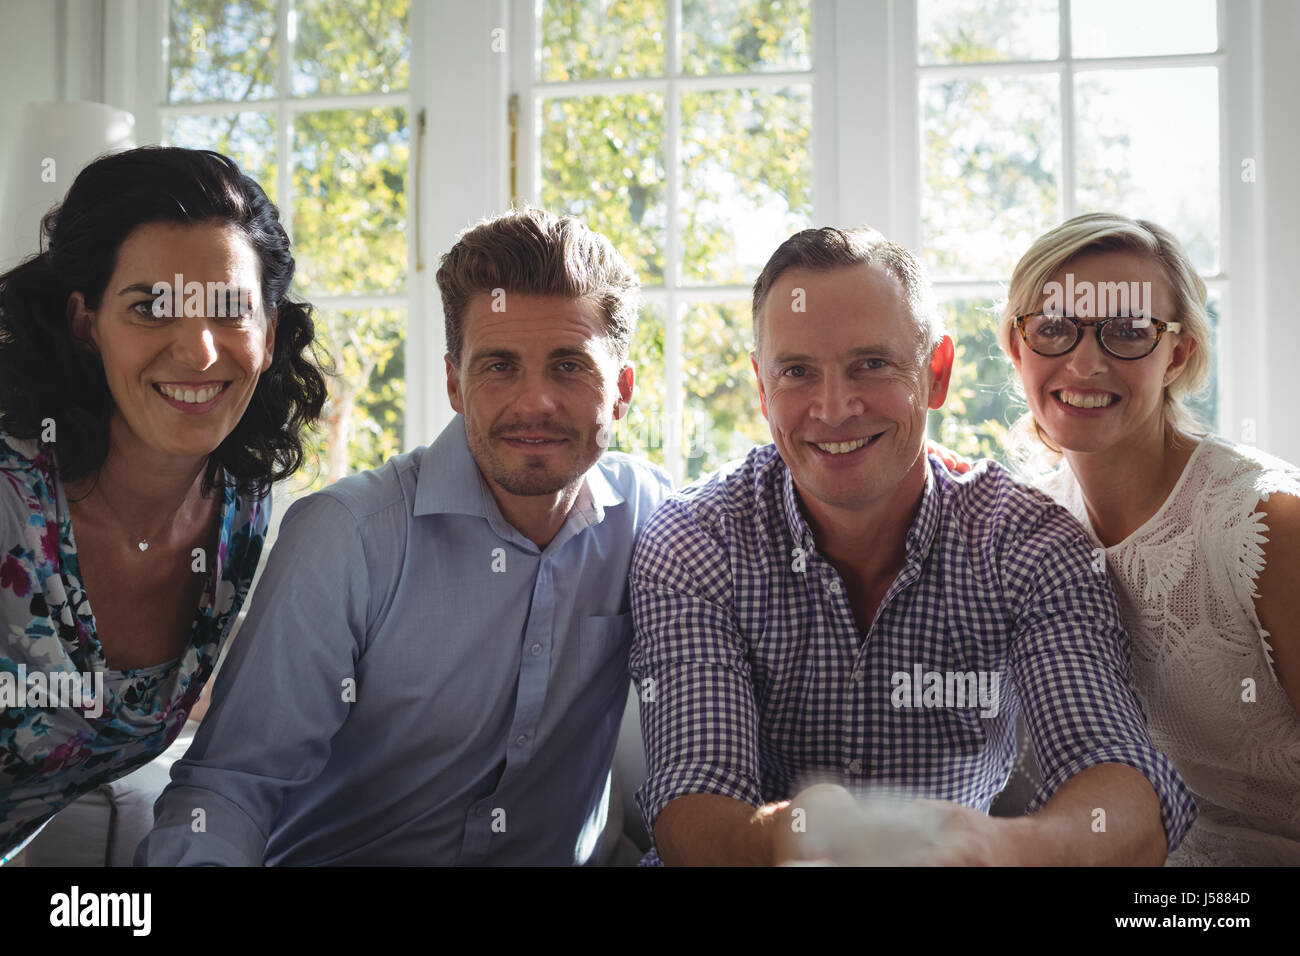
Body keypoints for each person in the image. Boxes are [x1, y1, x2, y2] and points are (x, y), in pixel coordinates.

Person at [628, 225, 1196, 866]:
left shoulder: (1027, 543)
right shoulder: (696, 540)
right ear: (762, 388)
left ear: (937, 373)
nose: (835, 408)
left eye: (872, 365)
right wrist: (809, 837)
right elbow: (690, 809)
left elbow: (1118, 783)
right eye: (797, 372)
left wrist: (1000, 849)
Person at [136, 207, 673, 866]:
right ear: (454, 381)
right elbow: (231, 786)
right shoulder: (348, 538)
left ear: (621, 390)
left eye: (569, 366)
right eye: (499, 366)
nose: (535, 402)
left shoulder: (656, 522)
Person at [0, 146, 328, 862]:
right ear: (87, 325)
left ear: (268, 335)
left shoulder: (244, 515)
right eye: (152, 307)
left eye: (231, 310)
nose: (200, 351)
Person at [999, 212, 1300, 865]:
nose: (1084, 361)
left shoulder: (1268, 524)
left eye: (1128, 331)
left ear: (1179, 354)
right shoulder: (1029, 531)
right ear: (1017, 347)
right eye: (1054, 327)